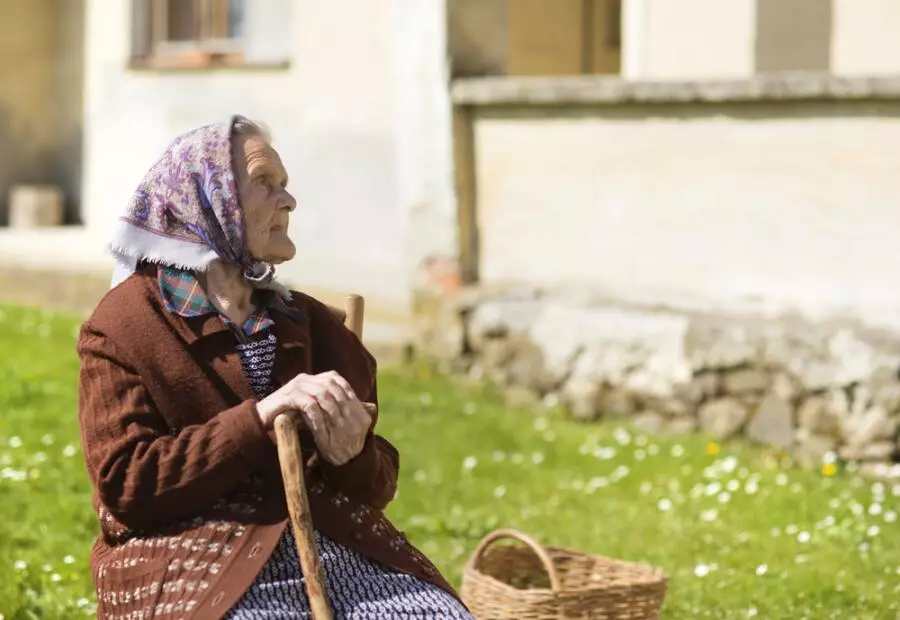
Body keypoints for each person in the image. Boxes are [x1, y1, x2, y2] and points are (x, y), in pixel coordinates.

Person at [77, 115, 473, 619]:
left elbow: (375, 488)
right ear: (207, 199)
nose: (288, 201)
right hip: (191, 556)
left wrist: (351, 455)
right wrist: (259, 419)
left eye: (284, 185)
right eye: (265, 183)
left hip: (325, 544)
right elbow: (128, 485)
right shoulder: (127, 324)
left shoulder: (307, 322)